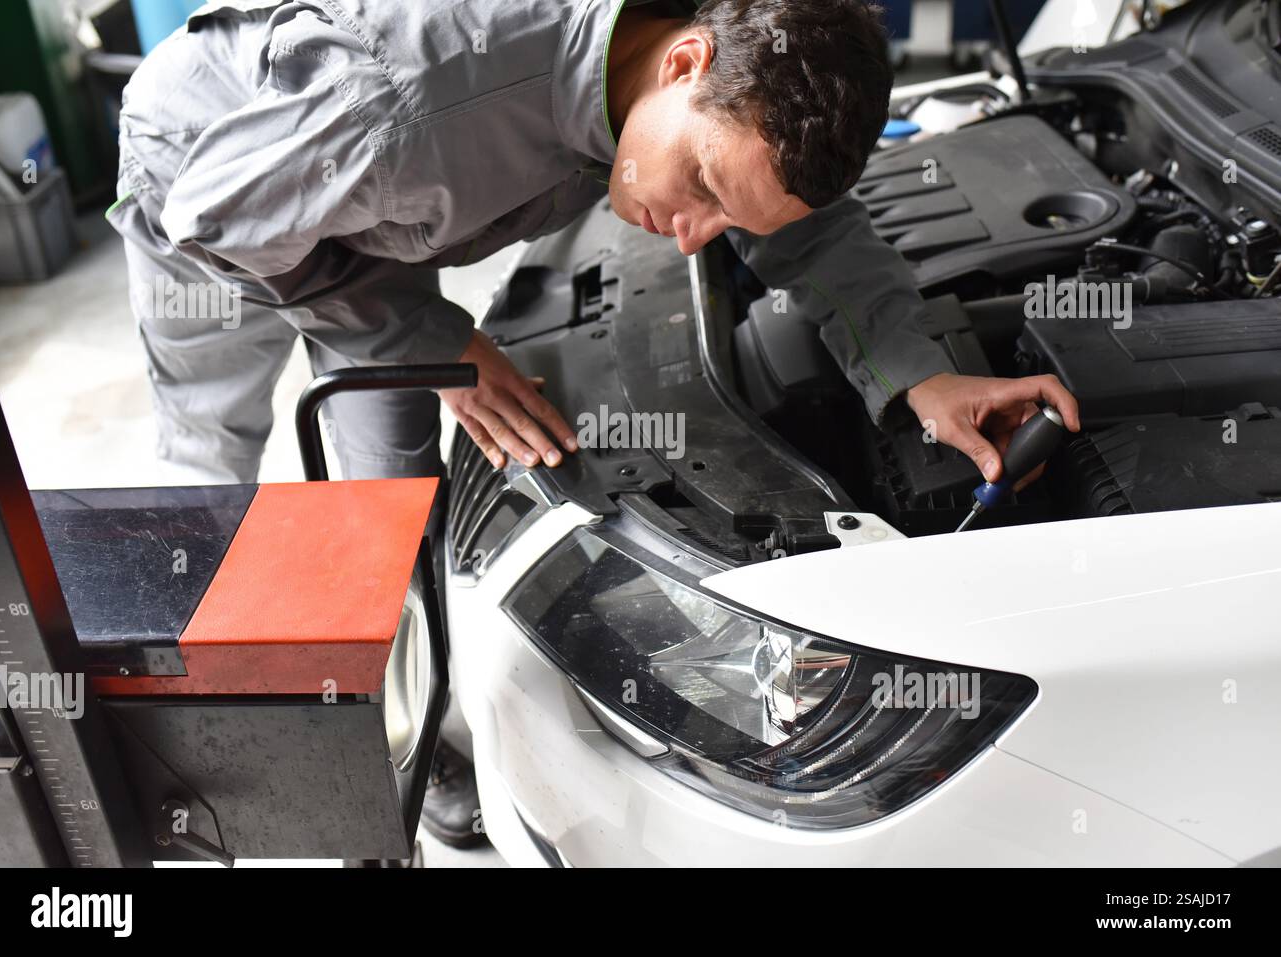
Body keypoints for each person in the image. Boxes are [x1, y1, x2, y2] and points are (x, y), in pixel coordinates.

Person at [108, 0, 1080, 847]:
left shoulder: (718, 83)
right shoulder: (411, 99)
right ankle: (186, 756)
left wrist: (919, 374)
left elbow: (807, 227)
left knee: (389, 500)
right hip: (212, 167)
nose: (697, 233)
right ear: (684, 62)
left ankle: (406, 733)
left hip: (368, 200)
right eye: (697, 185)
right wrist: (426, 335)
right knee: (212, 457)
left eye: (724, 207)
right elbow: (222, 219)